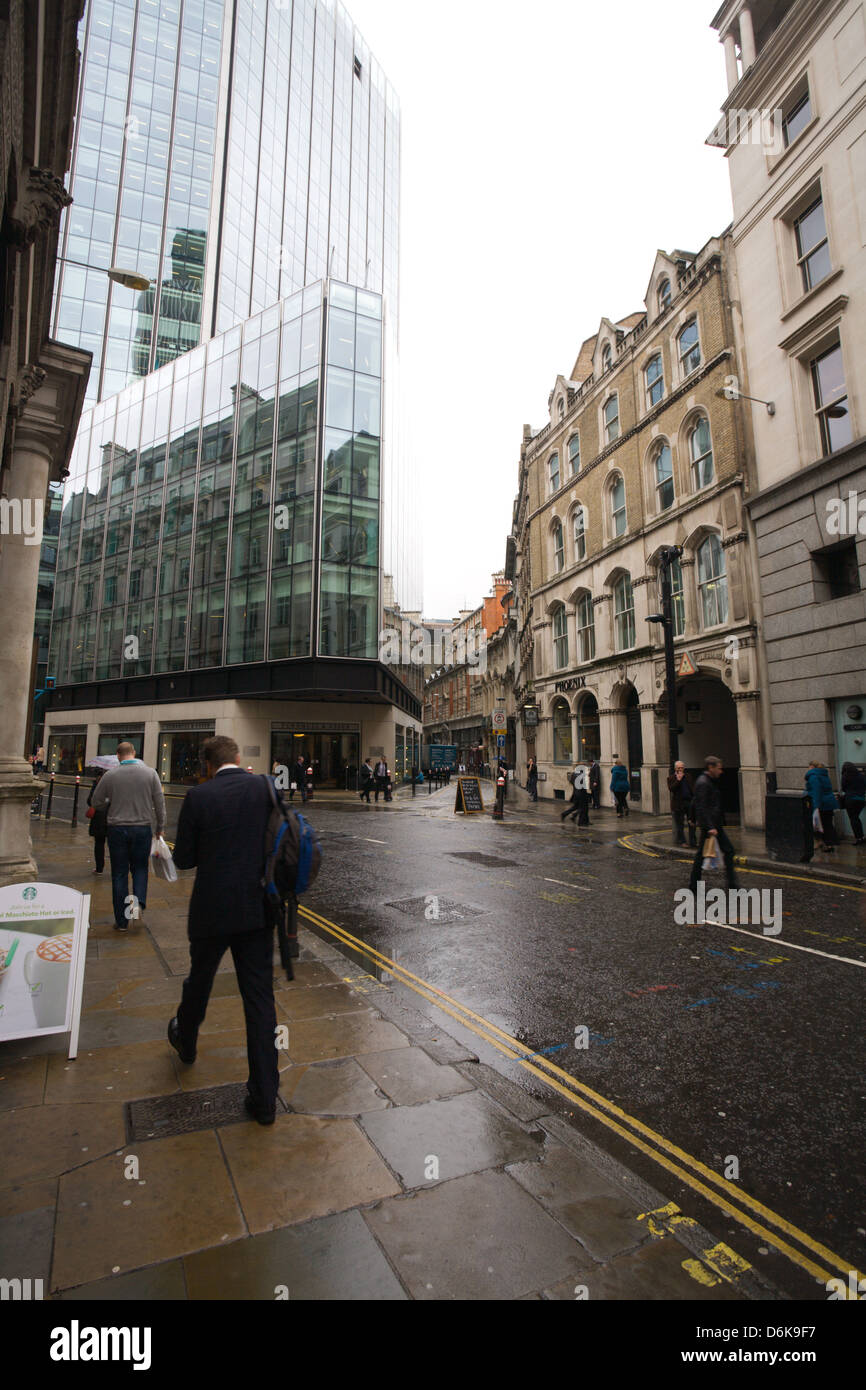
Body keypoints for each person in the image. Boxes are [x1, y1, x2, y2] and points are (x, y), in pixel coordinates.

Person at [170, 736, 280, 1125]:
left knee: (199, 982)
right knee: (259, 1000)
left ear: (208, 765)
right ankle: (265, 1098)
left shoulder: (198, 797)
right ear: (236, 757)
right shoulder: (264, 787)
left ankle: (186, 1041)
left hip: (211, 910)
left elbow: (182, 859)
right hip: (256, 909)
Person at [92, 742, 165, 932]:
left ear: (118, 755)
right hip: (142, 828)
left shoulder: (110, 775)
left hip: (117, 829)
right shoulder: (151, 773)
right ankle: (138, 904)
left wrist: (110, 801)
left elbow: (96, 802)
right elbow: (159, 803)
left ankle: (122, 922)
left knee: (119, 874)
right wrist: (160, 827)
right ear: (134, 753)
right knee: (140, 868)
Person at [688, 755, 739, 892]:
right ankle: (731, 885)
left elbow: (698, 803)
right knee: (723, 851)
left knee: (710, 853)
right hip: (711, 826)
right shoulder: (703, 783)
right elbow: (700, 806)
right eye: (719, 768)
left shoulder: (708, 781)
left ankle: (695, 885)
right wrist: (710, 827)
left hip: (714, 825)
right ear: (711, 767)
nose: (721, 771)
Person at [803, 760, 838, 853]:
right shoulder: (824, 774)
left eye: (809, 767)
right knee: (827, 824)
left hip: (820, 803)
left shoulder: (813, 776)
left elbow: (816, 791)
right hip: (829, 803)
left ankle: (823, 843)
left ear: (812, 767)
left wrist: (816, 806)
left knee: (816, 824)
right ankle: (829, 844)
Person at [668, 760, 696, 847]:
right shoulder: (671, 778)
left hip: (689, 802)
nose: (680, 770)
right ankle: (682, 841)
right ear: (675, 768)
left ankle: (693, 841)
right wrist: (678, 780)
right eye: (678, 768)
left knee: (692, 822)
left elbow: (692, 788)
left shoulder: (688, 776)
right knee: (680, 824)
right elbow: (671, 789)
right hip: (678, 804)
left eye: (682, 768)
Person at [86, 770, 109, 874]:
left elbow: (90, 801)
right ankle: (118, 869)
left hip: (99, 818)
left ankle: (99, 868)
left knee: (99, 844)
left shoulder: (97, 785)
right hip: (112, 818)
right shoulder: (114, 783)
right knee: (114, 845)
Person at [840, 761, 865, 845]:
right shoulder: (862, 776)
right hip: (861, 800)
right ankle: (861, 837)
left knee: (853, 819)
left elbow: (843, 788)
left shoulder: (845, 776)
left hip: (850, 800)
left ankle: (859, 838)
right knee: (856, 818)